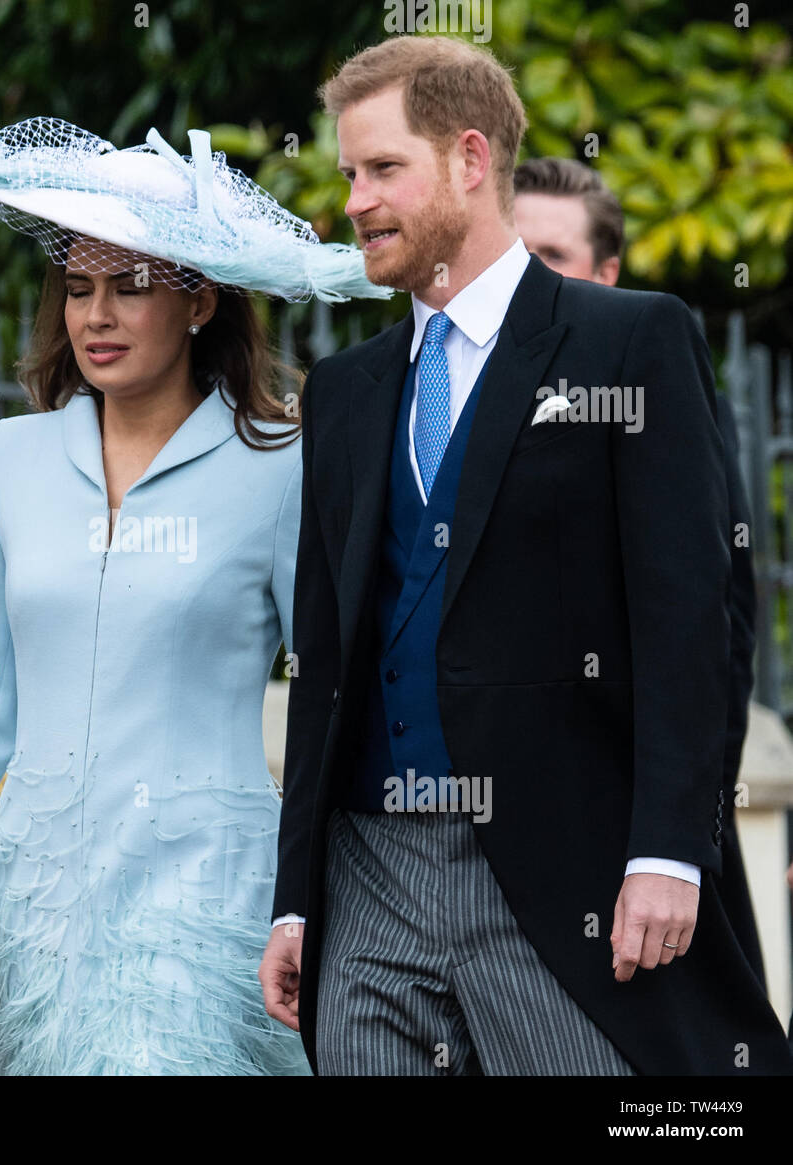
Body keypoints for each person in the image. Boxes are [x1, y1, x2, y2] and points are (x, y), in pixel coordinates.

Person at [259, 35, 793, 1075]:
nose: (354, 201)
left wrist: (669, 848)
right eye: (346, 176)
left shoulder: (626, 342)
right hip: (367, 869)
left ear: (467, 160)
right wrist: (296, 898)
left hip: (558, 872)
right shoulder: (347, 392)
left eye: (381, 170)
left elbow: (688, 617)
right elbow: (322, 661)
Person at [0, 116, 388, 1075]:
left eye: (131, 287)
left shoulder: (281, 465)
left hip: (203, 918)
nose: (95, 315)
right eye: (80, 288)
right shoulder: (17, 456)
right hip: (31, 927)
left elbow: (335, 702)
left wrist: (324, 899)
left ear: (201, 301)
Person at [515, 156, 767, 992]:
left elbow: (712, 613)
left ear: (606, 270)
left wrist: (683, 830)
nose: (528, 274)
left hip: (634, 826)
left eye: (551, 254)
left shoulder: (648, 367)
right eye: (516, 251)